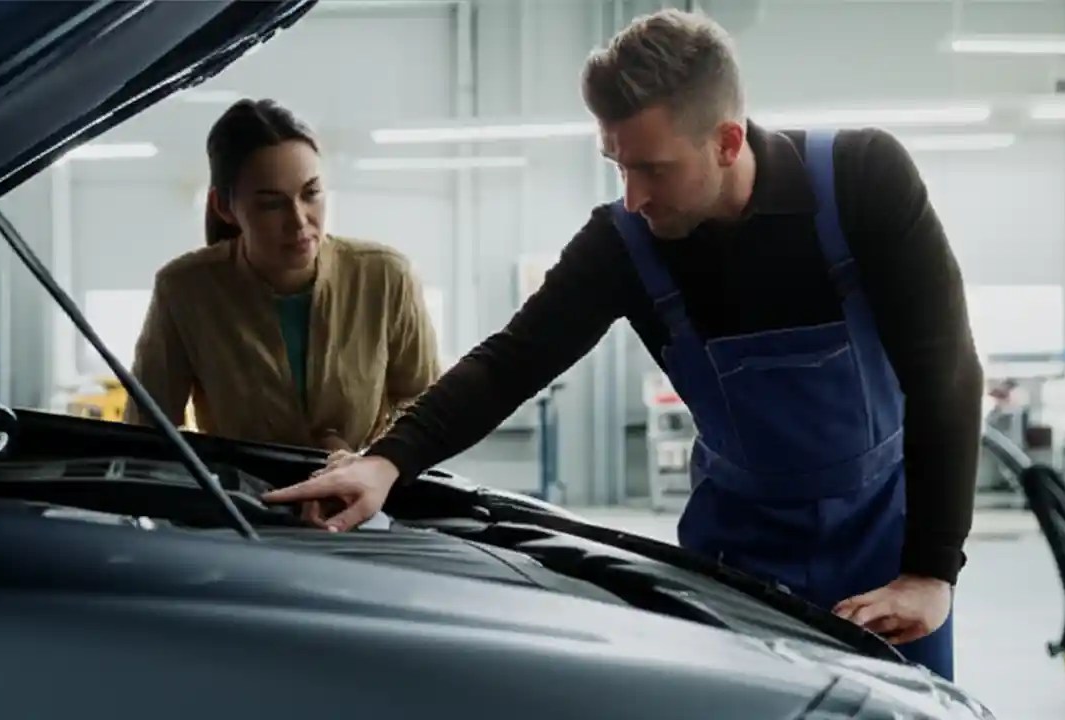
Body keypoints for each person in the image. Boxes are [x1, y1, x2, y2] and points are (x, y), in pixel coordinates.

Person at [263, 9, 981, 680]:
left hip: (886, 541)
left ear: (727, 141)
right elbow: (510, 361)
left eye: (653, 169)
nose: (633, 195)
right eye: (618, 165)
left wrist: (931, 572)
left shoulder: (862, 183)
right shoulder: (624, 243)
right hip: (740, 553)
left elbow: (945, 375)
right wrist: (389, 460)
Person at [125, 98, 441, 457]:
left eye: (311, 193)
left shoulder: (385, 277)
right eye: (271, 203)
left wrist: (369, 461)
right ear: (224, 207)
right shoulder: (184, 291)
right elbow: (146, 431)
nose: (298, 220)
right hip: (240, 503)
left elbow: (426, 410)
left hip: (366, 502)